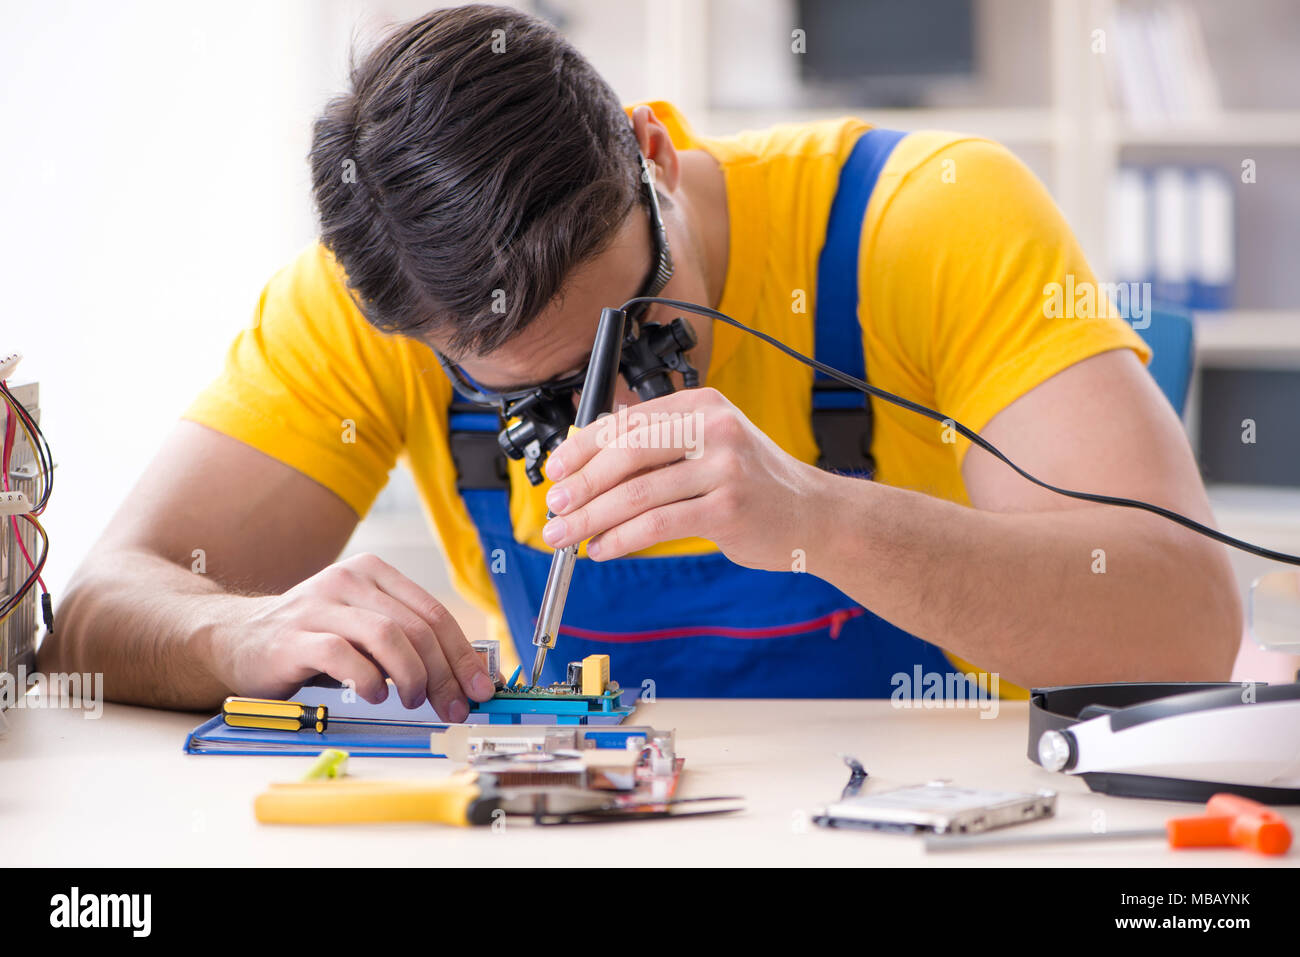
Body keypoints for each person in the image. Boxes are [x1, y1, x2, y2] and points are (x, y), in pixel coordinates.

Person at [41, 4, 1240, 717]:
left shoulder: (928, 217)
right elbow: (96, 612)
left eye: (642, 333)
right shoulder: (382, 301)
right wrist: (237, 636)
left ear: (652, 155)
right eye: (534, 403)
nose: (613, 411)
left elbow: (1186, 620)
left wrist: (822, 517)